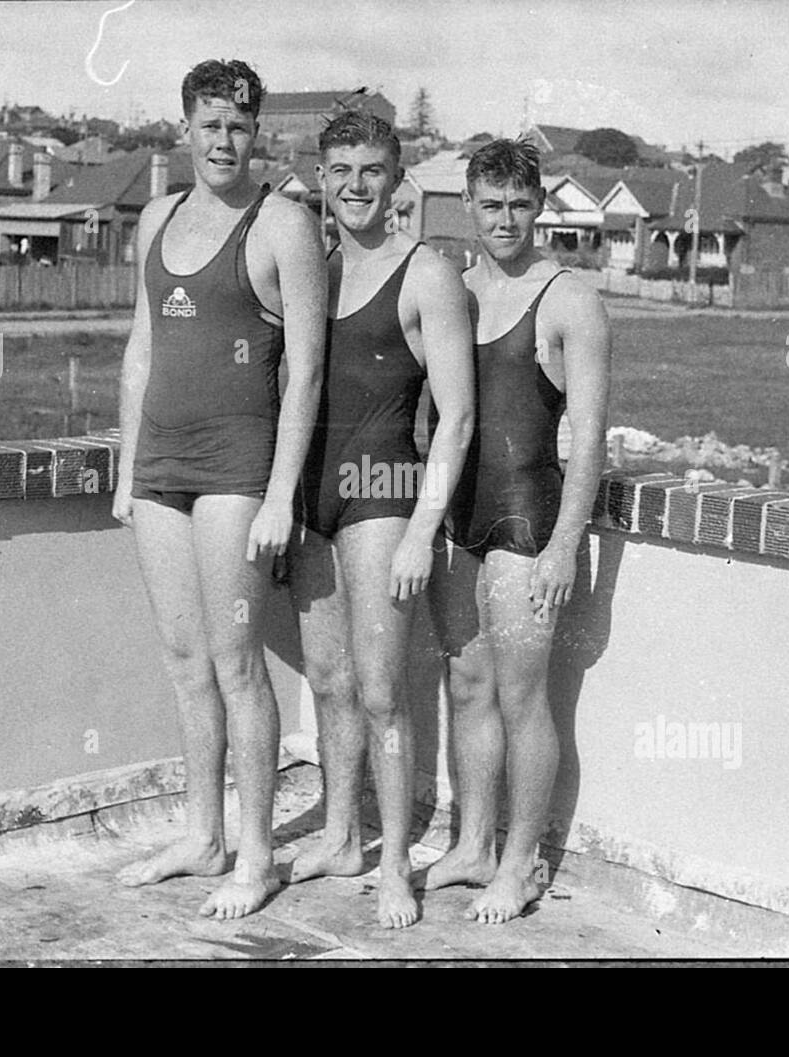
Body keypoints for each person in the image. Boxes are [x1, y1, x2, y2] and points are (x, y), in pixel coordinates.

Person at [111, 59, 327, 921]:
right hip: (159, 468)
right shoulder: (156, 217)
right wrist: (127, 469)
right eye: (210, 124)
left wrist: (280, 494)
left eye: (239, 125)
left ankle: (258, 855)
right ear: (186, 130)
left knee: (238, 663)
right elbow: (140, 347)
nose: (224, 140)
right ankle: (202, 835)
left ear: (256, 131)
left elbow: (306, 372)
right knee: (184, 658)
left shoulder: (283, 226)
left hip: (238, 470)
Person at [286, 110, 474, 929]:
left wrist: (422, 530)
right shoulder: (315, 270)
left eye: (371, 170)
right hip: (315, 494)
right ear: (320, 180)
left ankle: (395, 862)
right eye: (340, 170)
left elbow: (458, 417)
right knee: (329, 679)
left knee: (382, 689)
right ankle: (340, 837)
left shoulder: (426, 273)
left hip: (383, 492)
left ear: (397, 180)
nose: (355, 185)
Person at [425, 138, 611, 923]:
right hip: (460, 515)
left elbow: (590, 438)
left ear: (540, 207)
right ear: (468, 205)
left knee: (523, 697)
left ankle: (521, 862)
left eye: (519, 205)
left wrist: (566, 542)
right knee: (468, 685)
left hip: (526, 519)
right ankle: (473, 845)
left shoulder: (570, 299)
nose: (505, 220)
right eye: (490, 205)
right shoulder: (456, 291)